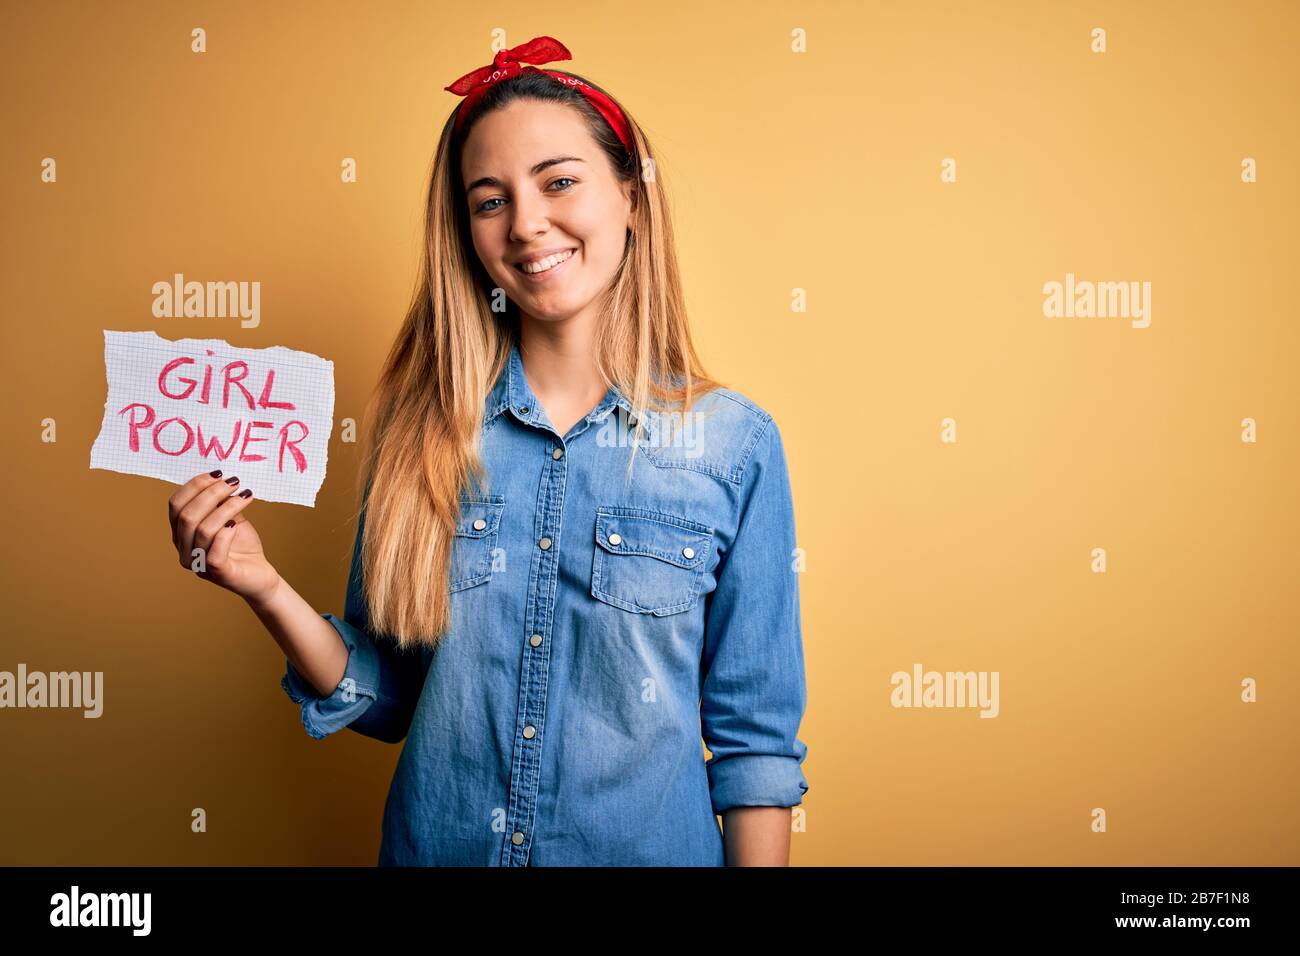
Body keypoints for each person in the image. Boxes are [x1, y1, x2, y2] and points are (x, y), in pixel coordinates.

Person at [165, 36, 809, 866]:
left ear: (631, 197)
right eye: (489, 199)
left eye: (560, 181)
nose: (528, 222)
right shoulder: (415, 432)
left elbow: (755, 746)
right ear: (466, 232)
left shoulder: (735, 445)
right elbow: (385, 698)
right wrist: (261, 586)